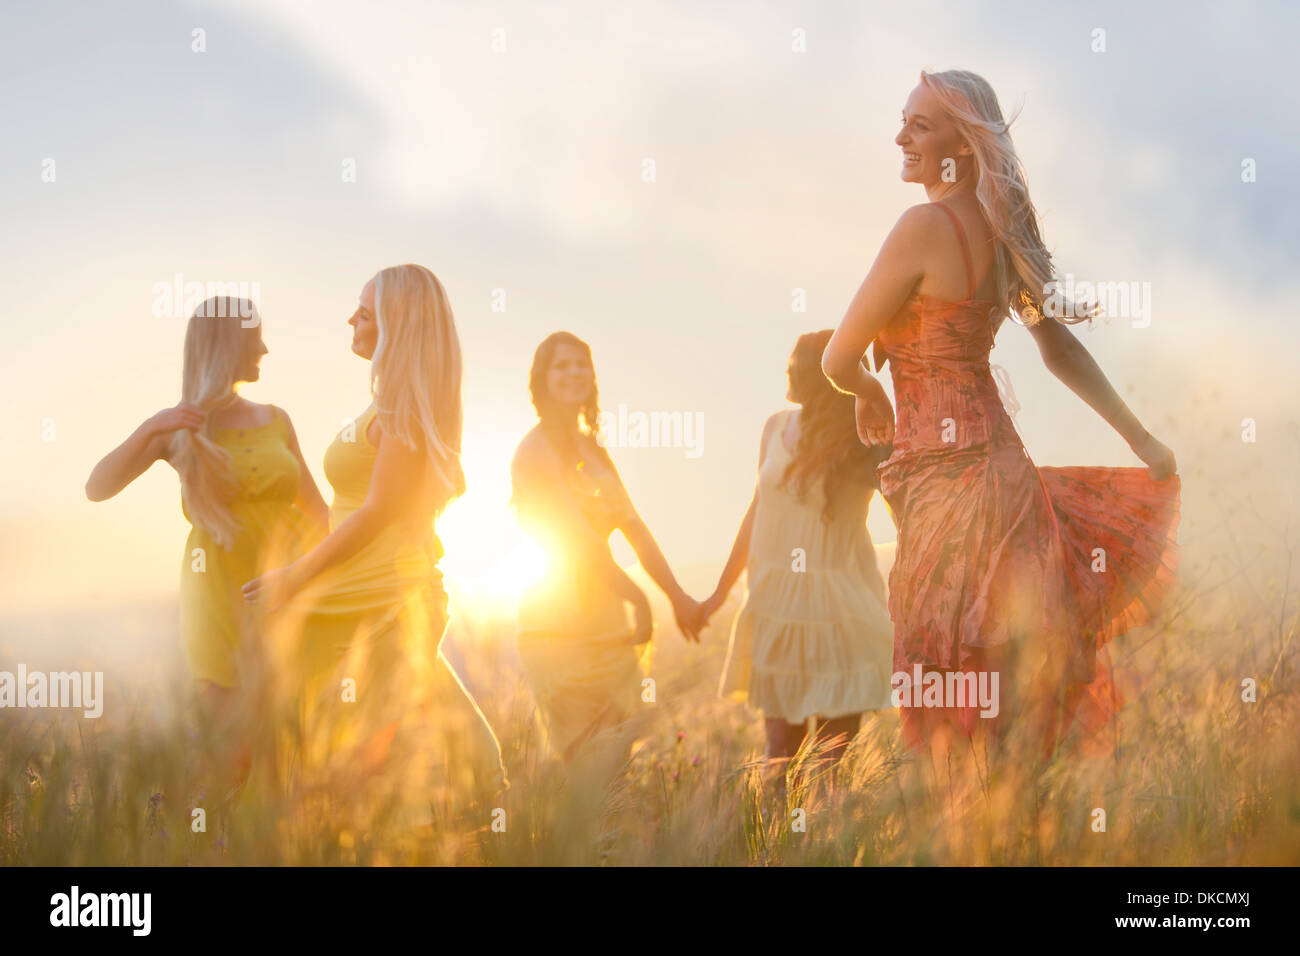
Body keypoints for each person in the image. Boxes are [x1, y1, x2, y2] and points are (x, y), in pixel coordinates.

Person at [822, 70, 1180, 768]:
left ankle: (975, 830)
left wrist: (867, 394)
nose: (900, 136)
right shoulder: (999, 228)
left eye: (919, 125)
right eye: (903, 120)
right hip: (1006, 480)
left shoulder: (920, 226)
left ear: (964, 138)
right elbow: (1058, 346)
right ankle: (1018, 826)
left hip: (940, 491)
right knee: (1011, 672)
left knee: (947, 671)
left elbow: (838, 356)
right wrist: (1141, 438)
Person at [242, 265, 506, 823]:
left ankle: (494, 832)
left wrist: (294, 576)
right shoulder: (388, 404)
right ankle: (491, 825)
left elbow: (378, 510)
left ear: (396, 324)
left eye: (364, 313)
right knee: (418, 751)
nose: (351, 321)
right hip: (367, 598)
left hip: (389, 604)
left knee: (365, 762)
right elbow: (351, 509)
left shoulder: (403, 407)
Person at [85, 296, 327, 796]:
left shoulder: (277, 419)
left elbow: (320, 515)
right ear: (227, 343)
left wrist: (308, 574)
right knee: (232, 752)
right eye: (254, 337)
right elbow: (98, 487)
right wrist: (154, 425)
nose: (264, 347)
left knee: (284, 751)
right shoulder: (181, 427)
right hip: (218, 596)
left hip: (287, 595)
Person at [705, 330, 895, 784]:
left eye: (796, 361)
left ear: (823, 372)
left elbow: (903, 507)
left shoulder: (863, 437)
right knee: (778, 759)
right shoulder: (775, 427)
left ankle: (820, 847)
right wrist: (717, 594)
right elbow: (757, 512)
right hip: (777, 608)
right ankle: (773, 851)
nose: (787, 368)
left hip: (840, 615)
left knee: (829, 767)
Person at [510, 331, 703, 762]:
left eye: (582, 364)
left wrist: (677, 597)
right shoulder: (533, 451)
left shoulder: (593, 450)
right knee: (585, 769)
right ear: (542, 379)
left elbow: (635, 529)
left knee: (616, 764)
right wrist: (640, 600)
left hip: (609, 627)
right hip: (556, 629)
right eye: (562, 365)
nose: (574, 372)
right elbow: (578, 542)